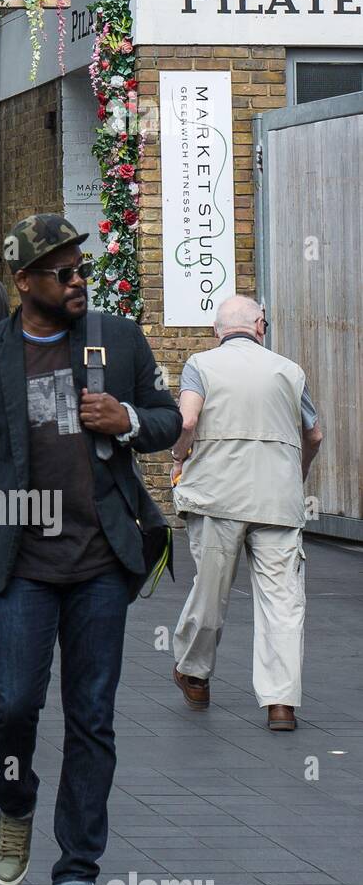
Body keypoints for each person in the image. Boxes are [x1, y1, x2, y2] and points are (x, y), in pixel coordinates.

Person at [0, 213, 181, 885]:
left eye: (83, 271)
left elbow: (167, 419)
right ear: (24, 282)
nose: (79, 282)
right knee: (12, 705)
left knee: (92, 715)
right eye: (64, 273)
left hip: (103, 562)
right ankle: (15, 806)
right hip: (21, 564)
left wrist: (127, 421)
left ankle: (78, 865)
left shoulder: (117, 340)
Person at [170, 296, 324, 733]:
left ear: (218, 330)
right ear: (259, 325)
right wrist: (297, 473)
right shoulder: (289, 370)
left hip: (217, 496)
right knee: (283, 601)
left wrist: (179, 459)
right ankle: (280, 703)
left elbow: (186, 422)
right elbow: (314, 433)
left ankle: (195, 673)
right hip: (278, 500)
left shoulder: (201, 364)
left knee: (211, 589)